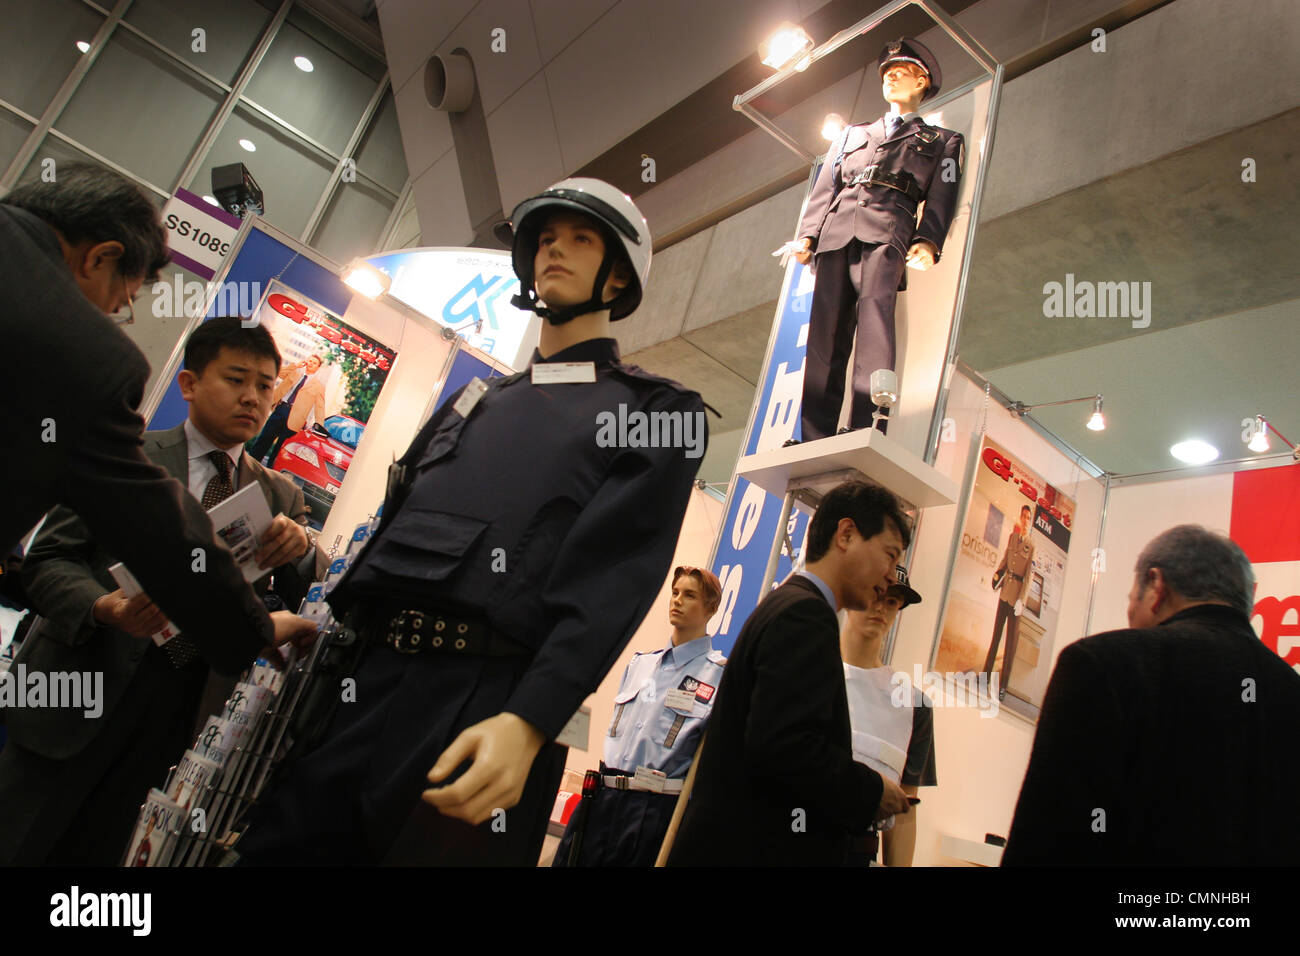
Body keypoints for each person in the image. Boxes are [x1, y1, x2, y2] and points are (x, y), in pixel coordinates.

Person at [235, 178, 709, 866]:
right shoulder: (472, 399)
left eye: (581, 239)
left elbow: (613, 583)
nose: (555, 251)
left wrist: (530, 719)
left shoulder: (659, 412)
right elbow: (391, 528)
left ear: (620, 273)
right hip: (361, 684)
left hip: (483, 703)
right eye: (545, 238)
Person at [0, 317, 321, 865]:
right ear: (189, 384)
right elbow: (49, 560)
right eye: (236, 379)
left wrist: (303, 547)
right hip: (79, 688)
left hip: (181, 712)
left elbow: (305, 592)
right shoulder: (126, 454)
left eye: (266, 386)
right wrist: (104, 606)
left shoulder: (281, 497)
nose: (252, 397)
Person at [1, 162, 315, 669]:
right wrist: (249, 629)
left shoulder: (280, 494)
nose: (110, 319)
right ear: (101, 258)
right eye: (117, 304)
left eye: (263, 386)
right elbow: (152, 529)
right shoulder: (90, 359)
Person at [1002, 525, 1300, 865]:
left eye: (1131, 599)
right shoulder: (1291, 692)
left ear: (1156, 586)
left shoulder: (1101, 664)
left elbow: (1047, 837)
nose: (1130, 616)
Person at [668, 480, 914, 866]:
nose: (890, 576)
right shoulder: (806, 615)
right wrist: (870, 791)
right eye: (889, 556)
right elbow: (784, 747)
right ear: (846, 534)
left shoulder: (790, 605)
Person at [791, 37, 963, 441]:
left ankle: (863, 427)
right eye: (886, 73)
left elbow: (942, 195)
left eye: (900, 72)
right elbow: (825, 188)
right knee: (825, 334)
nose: (890, 78)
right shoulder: (851, 135)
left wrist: (929, 239)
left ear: (922, 82)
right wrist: (807, 235)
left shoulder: (942, 141)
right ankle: (813, 433)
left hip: (888, 232)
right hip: (836, 233)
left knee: (874, 325)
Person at [554, 566, 724, 867]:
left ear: (711, 607)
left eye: (689, 595)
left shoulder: (719, 675)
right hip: (602, 798)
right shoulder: (639, 665)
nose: (677, 601)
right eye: (674, 593)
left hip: (654, 810)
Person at [839, 565, 936, 866]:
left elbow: (906, 808)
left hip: (859, 851)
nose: (881, 607)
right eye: (876, 592)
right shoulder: (809, 675)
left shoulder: (914, 706)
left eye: (892, 601)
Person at [983, 504, 1035, 699]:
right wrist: (996, 577)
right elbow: (1005, 561)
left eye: (1028, 517)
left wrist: (1022, 600)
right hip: (1005, 593)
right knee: (995, 636)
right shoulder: (1013, 538)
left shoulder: (1032, 545)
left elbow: (1029, 576)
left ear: (1030, 521)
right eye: (1023, 516)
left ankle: (1003, 686)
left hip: (1016, 601)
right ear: (1020, 518)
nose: (1025, 520)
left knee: (1010, 645)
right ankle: (985, 677)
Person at [249, 354, 328, 466]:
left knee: (280, 449)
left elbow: (320, 407)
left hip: (295, 420)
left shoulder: (318, 386)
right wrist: (296, 365)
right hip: (281, 409)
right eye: (309, 361)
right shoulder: (295, 373)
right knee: (264, 439)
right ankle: (250, 464)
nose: (311, 363)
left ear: (318, 368)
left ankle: (270, 472)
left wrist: (320, 427)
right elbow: (279, 373)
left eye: (314, 363)